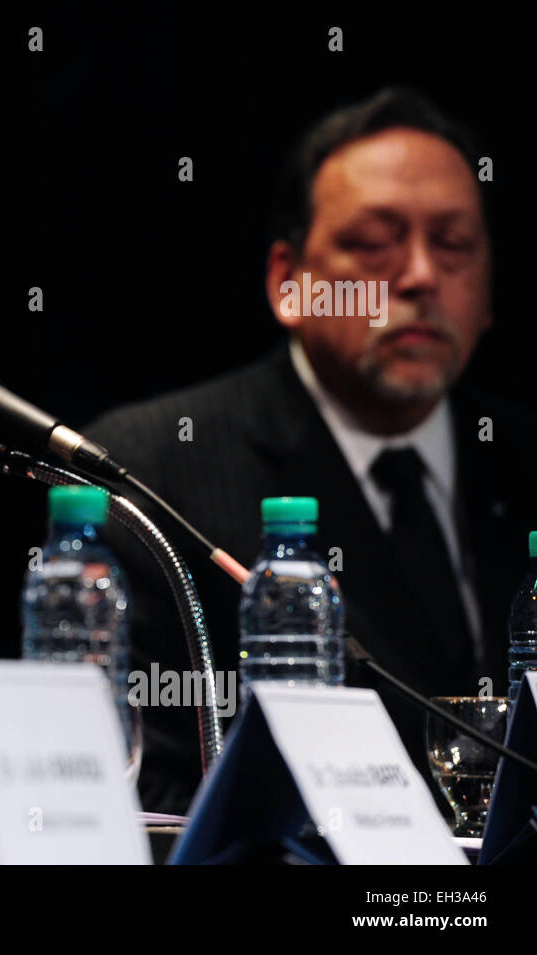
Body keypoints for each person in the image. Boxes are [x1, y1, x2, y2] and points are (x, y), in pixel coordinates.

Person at [85, 88, 537, 816]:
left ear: (487, 293)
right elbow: (139, 796)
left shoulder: (522, 457)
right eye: (375, 243)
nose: (420, 277)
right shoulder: (152, 468)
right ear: (288, 283)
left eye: (453, 245)